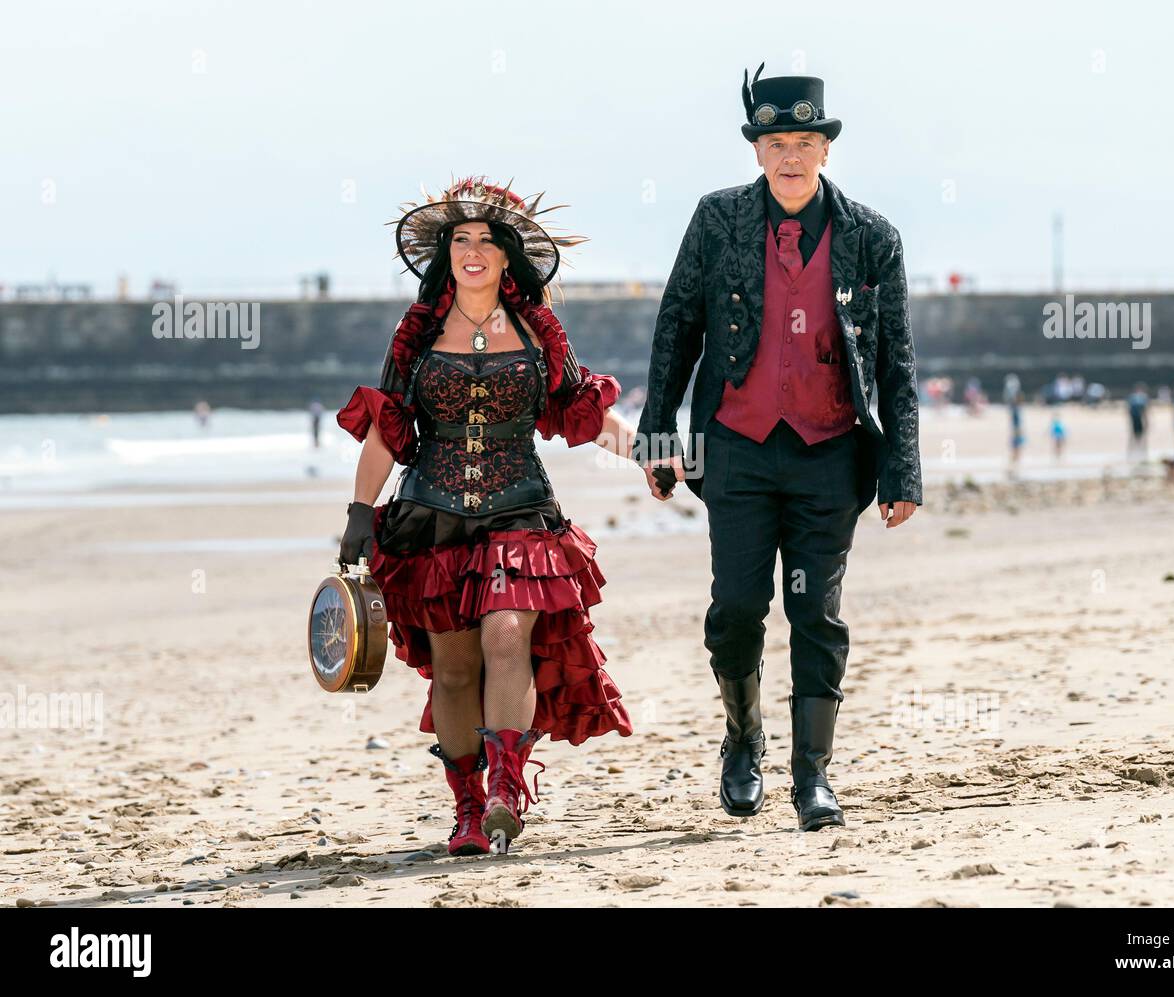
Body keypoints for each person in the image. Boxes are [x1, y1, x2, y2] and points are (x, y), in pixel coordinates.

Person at [633, 63, 923, 832]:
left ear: (825, 149)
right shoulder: (717, 220)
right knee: (736, 607)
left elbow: (895, 363)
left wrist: (903, 471)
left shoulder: (872, 237)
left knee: (815, 612)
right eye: (775, 141)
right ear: (757, 150)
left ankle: (812, 775)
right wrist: (658, 439)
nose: (789, 155)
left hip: (832, 453)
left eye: (803, 140)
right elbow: (676, 330)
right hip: (736, 448)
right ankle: (743, 736)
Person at [336, 178, 637, 855]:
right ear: (446, 255)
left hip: (520, 510)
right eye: (461, 240)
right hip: (431, 517)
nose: (473, 251)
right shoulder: (416, 334)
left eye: (487, 241)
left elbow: (582, 411)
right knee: (454, 667)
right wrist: (360, 511)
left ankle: (506, 788)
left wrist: (648, 457)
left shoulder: (538, 330)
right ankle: (467, 806)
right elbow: (388, 426)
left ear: (508, 257)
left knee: (507, 634)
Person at [1126, 382, 1149, 461]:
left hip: (1137, 418)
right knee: (1136, 436)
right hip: (1137, 418)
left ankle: (1138, 451)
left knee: (1138, 436)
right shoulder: (1139, 398)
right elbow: (1144, 410)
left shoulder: (1136, 397)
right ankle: (1135, 451)